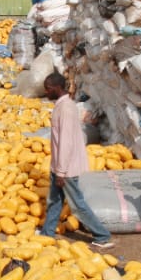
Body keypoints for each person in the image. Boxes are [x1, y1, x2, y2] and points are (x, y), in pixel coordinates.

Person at [38, 73, 113, 250]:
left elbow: (66, 142)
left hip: (67, 168)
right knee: (54, 200)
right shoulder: (63, 105)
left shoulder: (66, 108)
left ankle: (102, 235)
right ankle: (47, 232)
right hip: (59, 165)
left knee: (77, 204)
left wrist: (61, 172)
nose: (46, 92)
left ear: (56, 87)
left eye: (48, 88)